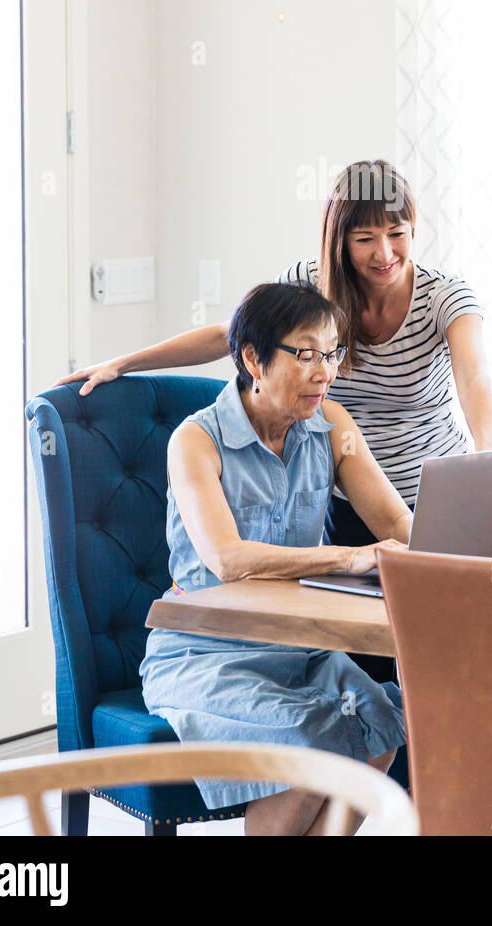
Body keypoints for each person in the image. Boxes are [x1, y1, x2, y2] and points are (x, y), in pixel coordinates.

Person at [59, 158, 492, 683]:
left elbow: (476, 380)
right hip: (345, 500)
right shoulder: (310, 290)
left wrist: (488, 463)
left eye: (397, 234)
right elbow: (239, 331)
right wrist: (126, 362)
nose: (384, 253)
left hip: (425, 490)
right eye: (364, 238)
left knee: (437, 658)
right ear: (339, 240)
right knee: (373, 662)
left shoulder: (442, 296)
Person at [138, 280, 411, 836]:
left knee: (386, 725)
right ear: (252, 359)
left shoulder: (332, 428)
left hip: (300, 652)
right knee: (311, 746)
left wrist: (468, 541)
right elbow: (227, 558)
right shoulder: (196, 440)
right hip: (204, 654)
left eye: (331, 354)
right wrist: (346, 558)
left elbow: (397, 524)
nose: (324, 371)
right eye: (306, 354)